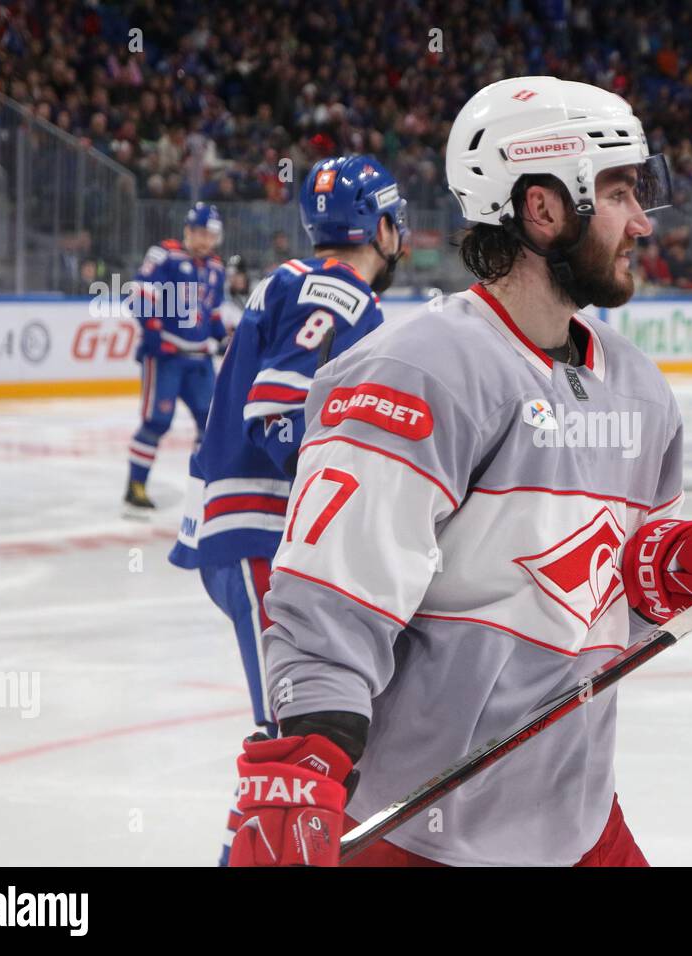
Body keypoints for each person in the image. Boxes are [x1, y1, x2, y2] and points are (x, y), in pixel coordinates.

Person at [226, 76, 692, 868]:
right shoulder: (420, 370)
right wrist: (303, 762)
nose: (645, 223)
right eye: (619, 193)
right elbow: (334, 597)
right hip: (419, 830)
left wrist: (681, 563)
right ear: (542, 207)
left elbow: (610, 589)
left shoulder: (640, 389)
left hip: (576, 820)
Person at [168, 155, 408, 863]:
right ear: (383, 226)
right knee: (295, 749)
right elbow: (278, 412)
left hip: (250, 537)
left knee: (305, 745)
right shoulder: (337, 292)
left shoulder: (304, 282)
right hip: (261, 537)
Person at [124, 202, 227, 511]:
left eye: (210, 234)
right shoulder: (164, 256)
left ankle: (202, 486)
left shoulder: (217, 268)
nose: (204, 240)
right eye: (198, 232)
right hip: (166, 357)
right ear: (187, 231)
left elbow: (215, 312)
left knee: (210, 424)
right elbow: (139, 297)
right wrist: (154, 337)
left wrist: (224, 338)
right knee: (157, 421)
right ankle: (136, 485)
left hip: (199, 361)